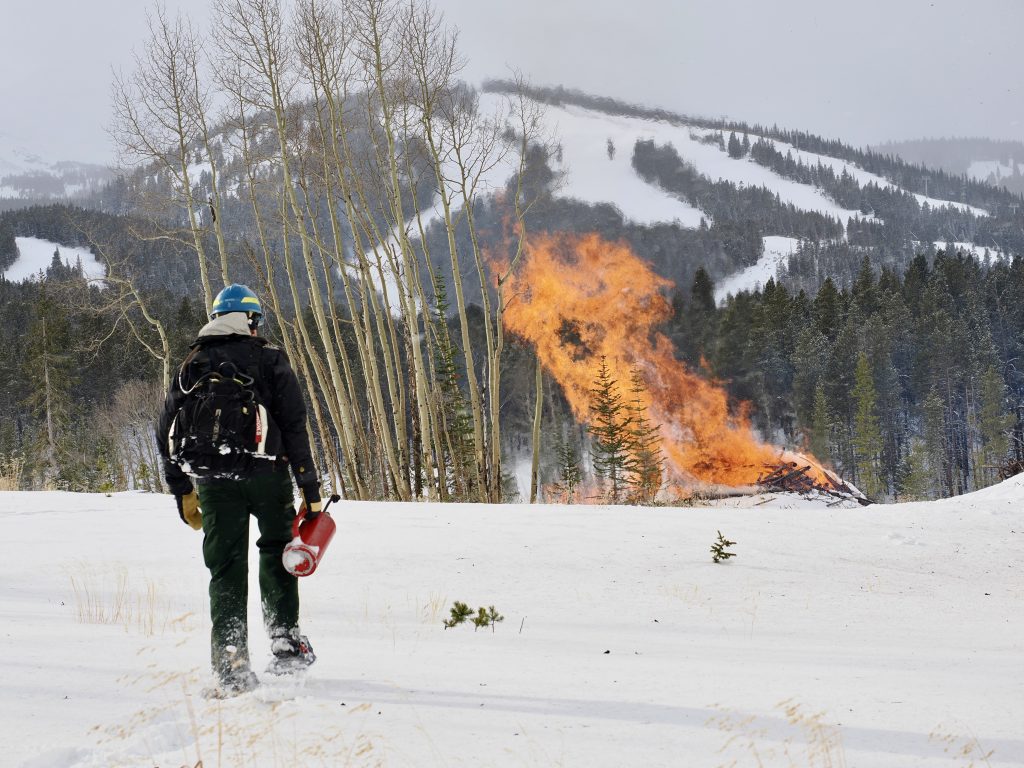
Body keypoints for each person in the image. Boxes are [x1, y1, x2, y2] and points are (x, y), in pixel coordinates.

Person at [157, 283, 322, 697]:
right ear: (249, 319)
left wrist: (182, 491)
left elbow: (165, 432)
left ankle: (231, 662)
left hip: (213, 482)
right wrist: (310, 488)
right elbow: (294, 425)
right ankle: (285, 642)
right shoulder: (269, 359)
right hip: (269, 477)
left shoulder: (192, 364)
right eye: (257, 320)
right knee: (278, 553)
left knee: (226, 568)